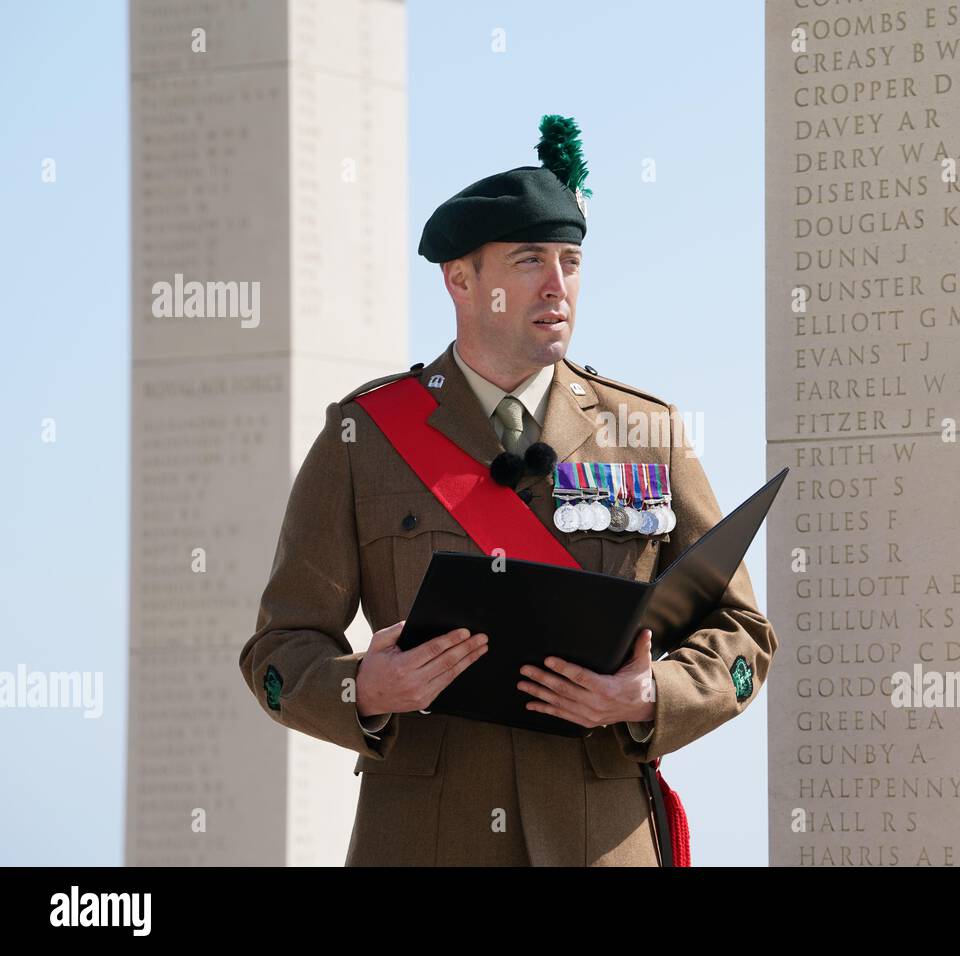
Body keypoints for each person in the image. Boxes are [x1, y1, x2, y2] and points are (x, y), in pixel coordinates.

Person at [238, 115, 777, 866]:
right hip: (425, 839)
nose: (558, 287)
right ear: (462, 281)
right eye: (530, 261)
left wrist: (651, 696)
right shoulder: (364, 437)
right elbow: (276, 651)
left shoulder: (647, 430)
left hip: (601, 837)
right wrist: (363, 686)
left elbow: (743, 631)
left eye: (572, 261)